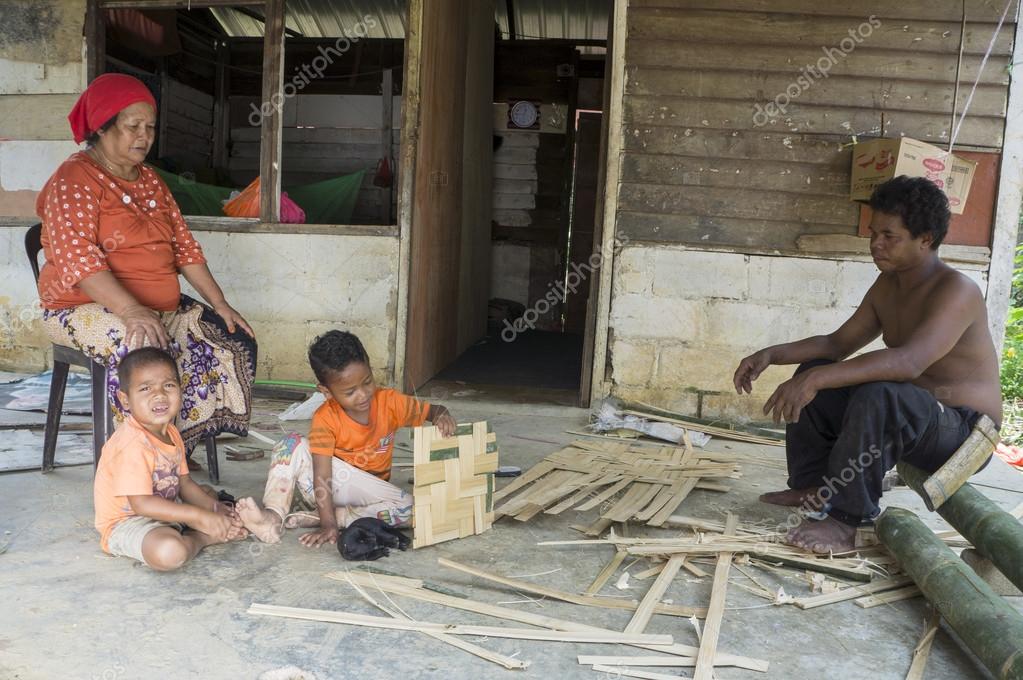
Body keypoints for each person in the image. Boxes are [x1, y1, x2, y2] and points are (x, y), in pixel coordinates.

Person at [732, 175, 1001, 554]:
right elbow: (836, 344)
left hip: (965, 432)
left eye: (889, 236)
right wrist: (772, 355)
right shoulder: (887, 285)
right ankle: (814, 486)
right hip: (912, 416)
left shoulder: (957, 291)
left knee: (878, 394)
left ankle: (847, 521)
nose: (876, 244)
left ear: (925, 239)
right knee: (817, 369)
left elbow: (908, 362)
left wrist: (819, 377)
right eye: (873, 233)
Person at [36, 73, 256, 466]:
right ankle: (138, 465)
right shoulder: (74, 179)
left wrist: (220, 303)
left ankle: (177, 450)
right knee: (143, 351)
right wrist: (133, 311)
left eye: (150, 127)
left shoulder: (151, 181)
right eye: (132, 126)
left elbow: (184, 248)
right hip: (78, 306)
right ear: (102, 128)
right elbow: (79, 262)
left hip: (155, 307)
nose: (144, 136)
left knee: (229, 336)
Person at [236, 330, 457, 546]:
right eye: (350, 392)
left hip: (370, 492)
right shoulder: (325, 417)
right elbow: (322, 475)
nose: (363, 395)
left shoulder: (390, 402)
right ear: (327, 391)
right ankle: (272, 517)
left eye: (367, 382)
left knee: (415, 509)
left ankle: (333, 518)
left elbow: (432, 410)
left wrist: (441, 415)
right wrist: (328, 526)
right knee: (290, 443)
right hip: (324, 489)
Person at [94, 348, 248, 570]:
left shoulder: (171, 432)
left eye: (168, 385)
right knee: (169, 553)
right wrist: (200, 518)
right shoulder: (131, 443)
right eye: (145, 388)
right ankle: (202, 537)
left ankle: (200, 524)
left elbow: (184, 483)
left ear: (180, 390)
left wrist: (214, 508)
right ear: (125, 400)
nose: (159, 395)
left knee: (206, 494)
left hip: (166, 509)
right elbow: (142, 504)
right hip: (129, 523)